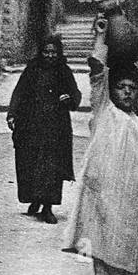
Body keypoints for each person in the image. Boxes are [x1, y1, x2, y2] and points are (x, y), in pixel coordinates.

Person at [62, 13, 138, 275]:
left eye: (133, 88)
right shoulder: (105, 110)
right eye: (122, 86)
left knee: (135, 250)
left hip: (135, 200)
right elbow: (97, 72)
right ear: (112, 89)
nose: (127, 92)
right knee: (106, 251)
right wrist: (101, 38)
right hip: (105, 197)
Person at [7, 34, 81, 223]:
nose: (49, 56)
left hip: (55, 127)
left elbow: (75, 95)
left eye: (53, 52)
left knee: (51, 167)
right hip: (31, 124)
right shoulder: (32, 69)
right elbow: (19, 91)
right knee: (30, 163)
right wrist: (12, 113)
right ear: (41, 52)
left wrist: (69, 100)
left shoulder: (63, 71)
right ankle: (35, 199)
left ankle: (47, 207)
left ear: (58, 53)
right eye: (46, 52)